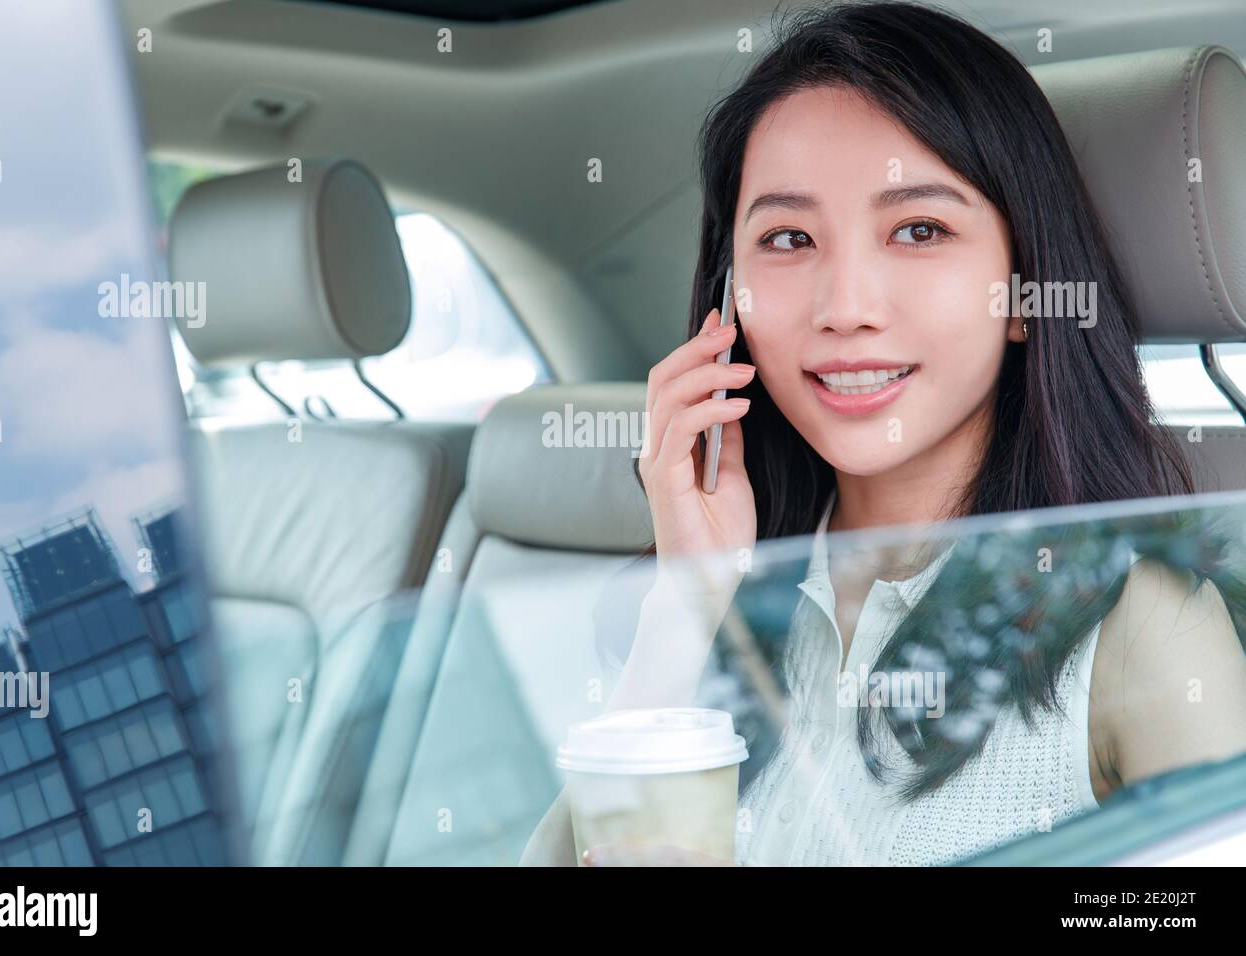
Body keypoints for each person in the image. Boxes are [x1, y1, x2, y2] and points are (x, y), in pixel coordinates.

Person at [522, 0, 1246, 867]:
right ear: (729, 302)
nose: (846, 309)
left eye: (918, 230)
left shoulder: (1145, 625)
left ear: (1026, 290)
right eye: (788, 238)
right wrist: (688, 599)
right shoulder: (730, 600)